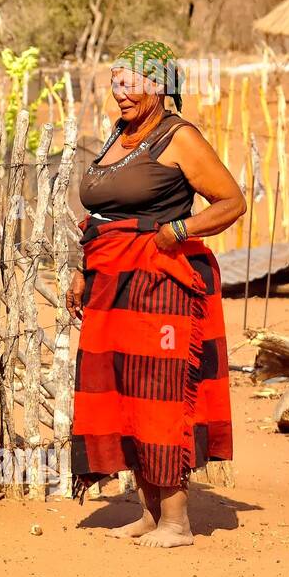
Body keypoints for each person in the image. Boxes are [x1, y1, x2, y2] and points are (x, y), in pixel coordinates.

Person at [66, 40, 244, 548]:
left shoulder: (179, 137)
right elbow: (103, 216)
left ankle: (176, 520)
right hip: (111, 279)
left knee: (158, 390)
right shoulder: (118, 136)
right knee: (122, 389)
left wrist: (180, 230)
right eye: (117, 83)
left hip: (160, 280)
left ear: (160, 87)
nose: (120, 93)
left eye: (133, 83)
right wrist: (84, 269)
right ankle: (149, 510)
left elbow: (232, 201)